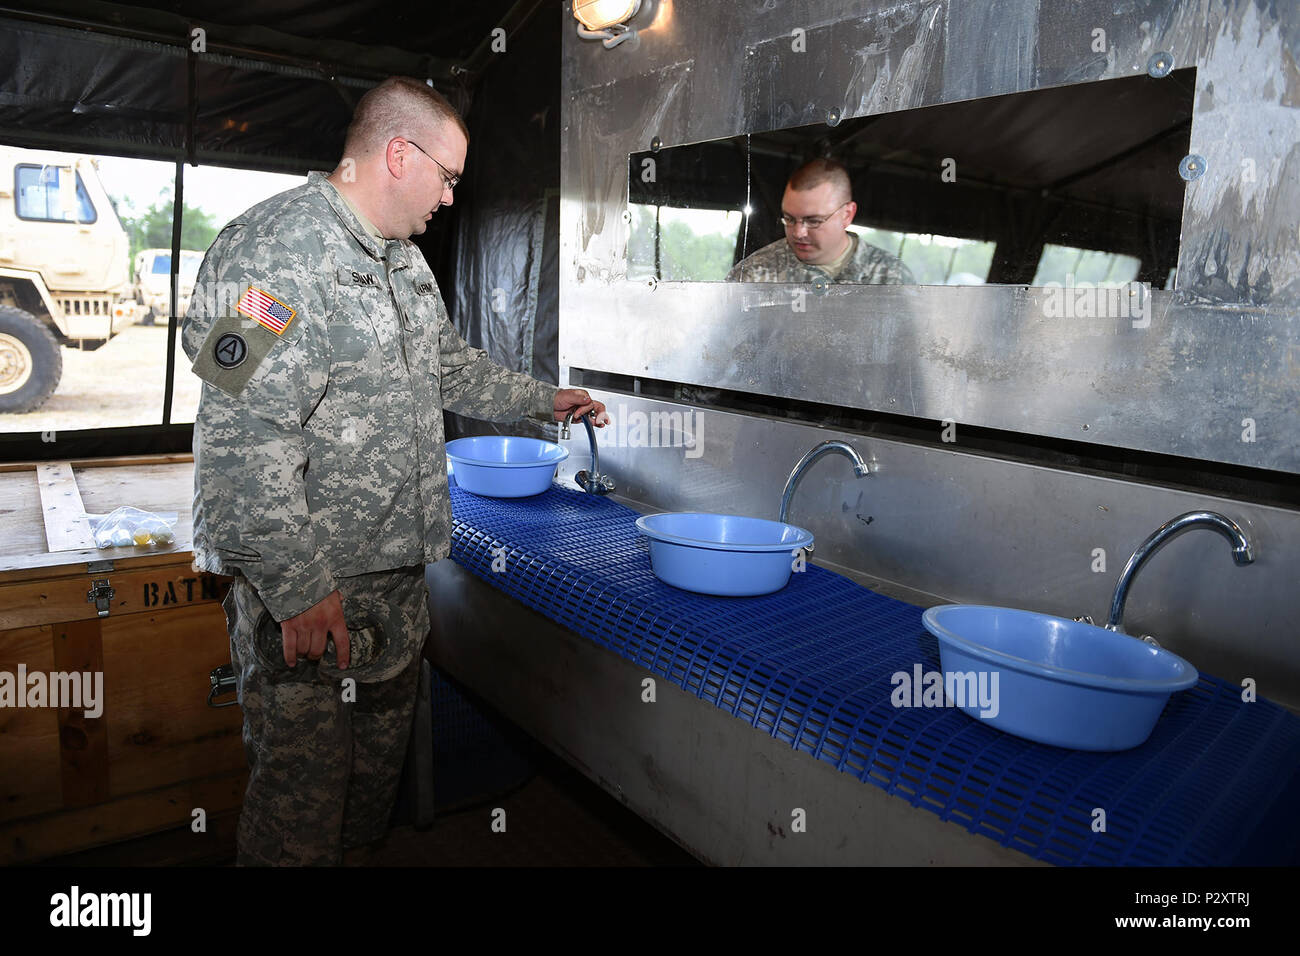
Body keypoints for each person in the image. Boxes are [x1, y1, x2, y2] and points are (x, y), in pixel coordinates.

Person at [181, 76, 607, 866]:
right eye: (447, 178)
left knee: (365, 803)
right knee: (297, 816)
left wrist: (546, 400)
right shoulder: (277, 255)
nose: (450, 198)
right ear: (398, 154)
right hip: (311, 589)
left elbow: (452, 371)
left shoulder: (405, 264)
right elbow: (241, 427)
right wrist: (299, 585)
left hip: (393, 584)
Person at [725, 158, 913, 284]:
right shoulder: (754, 274)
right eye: (789, 219)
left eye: (813, 221)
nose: (798, 232)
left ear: (847, 215)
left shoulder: (890, 277)